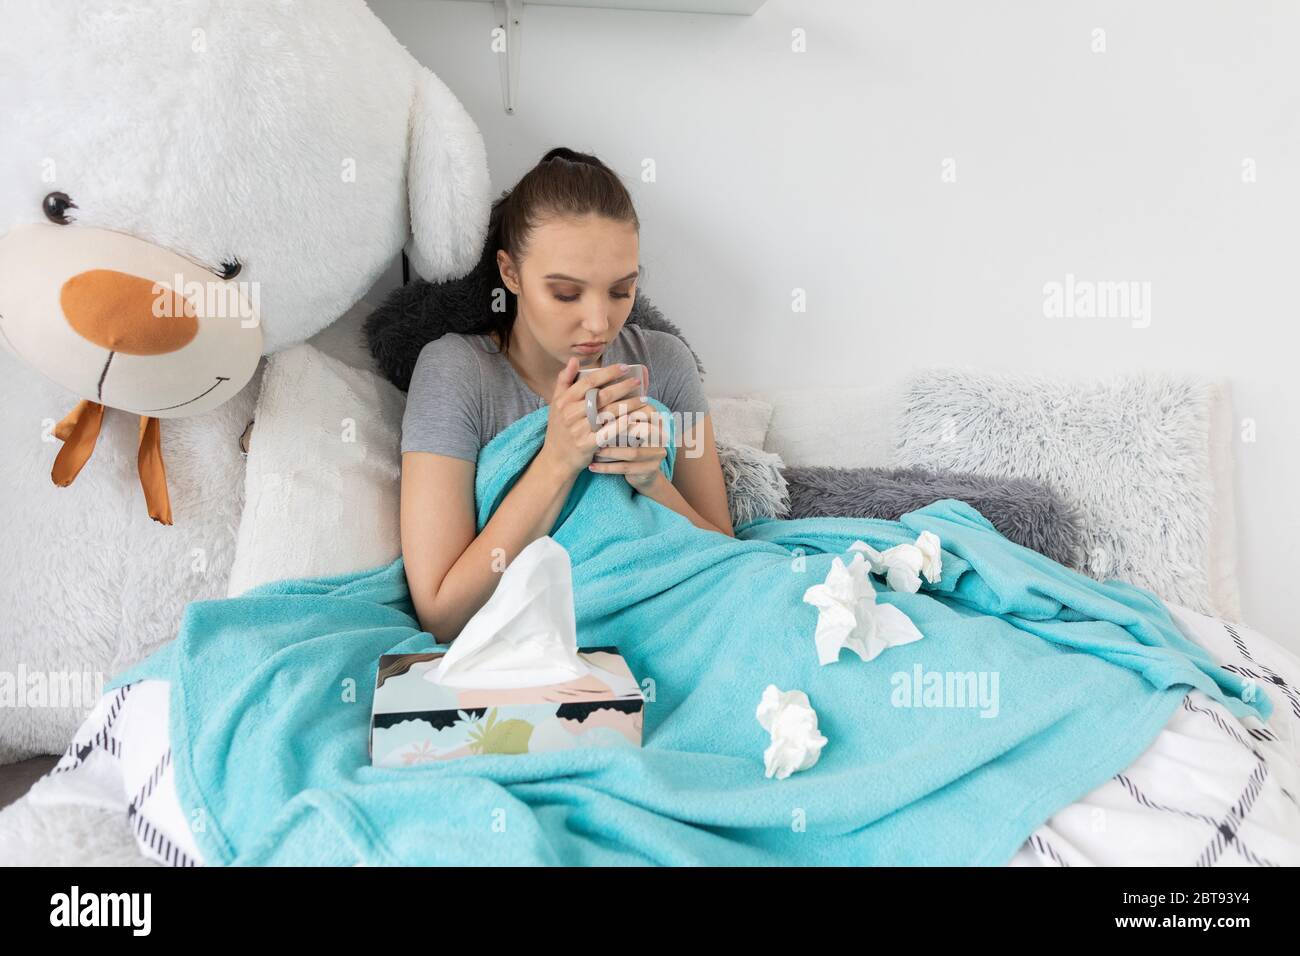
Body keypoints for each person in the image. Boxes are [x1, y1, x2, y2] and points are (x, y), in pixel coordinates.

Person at [400, 146, 734, 642]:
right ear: (510, 273)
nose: (600, 323)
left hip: (690, 620)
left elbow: (725, 556)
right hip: (561, 645)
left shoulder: (665, 364)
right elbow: (442, 613)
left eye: (621, 292)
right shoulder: (457, 374)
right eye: (566, 294)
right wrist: (556, 460)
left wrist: (652, 484)